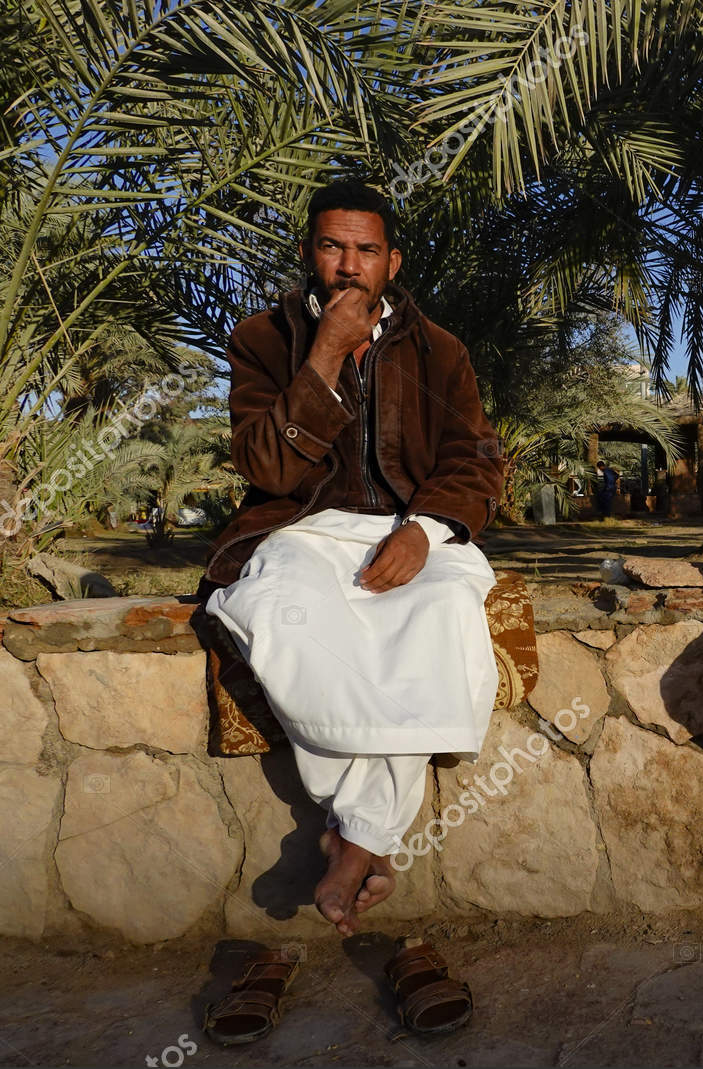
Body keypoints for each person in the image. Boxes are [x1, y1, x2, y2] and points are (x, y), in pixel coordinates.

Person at [201, 179, 503, 937]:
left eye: (366, 250)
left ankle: (353, 839)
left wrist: (425, 530)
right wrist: (327, 353)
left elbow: (477, 460)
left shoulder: (442, 351)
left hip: (412, 529)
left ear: (391, 261)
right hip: (301, 530)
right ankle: (367, 835)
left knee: (439, 616)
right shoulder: (263, 339)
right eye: (333, 246)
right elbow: (267, 468)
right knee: (281, 614)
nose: (348, 265)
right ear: (310, 253)